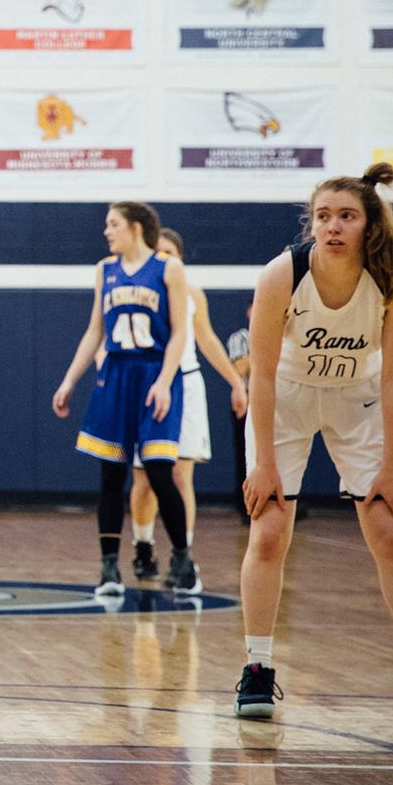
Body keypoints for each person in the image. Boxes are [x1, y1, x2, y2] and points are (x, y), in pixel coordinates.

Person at [235, 163, 393, 722]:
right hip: (290, 395)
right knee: (271, 528)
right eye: (323, 216)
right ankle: (257, 669)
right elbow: (264, 374)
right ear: (312, 223)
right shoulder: (283, 273)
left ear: (368, 223)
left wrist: (392, 467)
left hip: (358, 399)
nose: (332, 226)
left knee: (388, 531)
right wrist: (266, 465)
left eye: (346, 216)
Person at [53, 201, 201, 598]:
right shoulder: (105, 269)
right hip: (116, 375)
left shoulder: (169, 268)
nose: (106, 231)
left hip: (154, 374)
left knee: (158, 471)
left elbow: (179, 334)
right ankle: (108, 571)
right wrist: (69, 380)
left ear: (135, 227)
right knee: (111, 475)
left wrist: (166, 381)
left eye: (112, 224)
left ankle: (184, 560)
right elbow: (93, 332)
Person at [126, 227, 246, 582]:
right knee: (145, 478)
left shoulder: (192, 294)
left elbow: (206, 339)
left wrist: (236, 381)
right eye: (157, 253)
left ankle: (183, 554)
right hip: (147, 386)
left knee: (181, 475)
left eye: (170, 254)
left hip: (187, 384)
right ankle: (143, 547)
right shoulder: (136, 292)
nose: (164, 260)